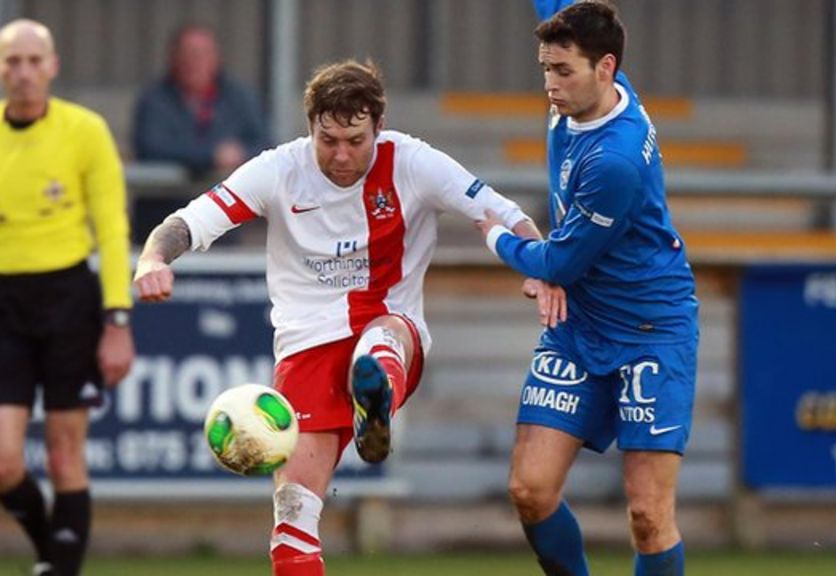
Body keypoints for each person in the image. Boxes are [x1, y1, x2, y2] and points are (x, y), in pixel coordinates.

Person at [133, 59, 555, 576]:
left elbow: (501, 212)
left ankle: (373, 396)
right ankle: (367, 404)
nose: (339, 154)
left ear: (379, 125)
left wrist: (539, 264)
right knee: (292, 523)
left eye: (355, 141)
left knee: (378, 343)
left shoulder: (414, 163)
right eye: (327, 139)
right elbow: (189, 221)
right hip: (306, 349)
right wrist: (154, 259)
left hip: (389, 327)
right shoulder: (279, 170)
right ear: (310, 126)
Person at [476, 1, 699, 575]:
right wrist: (553, 273)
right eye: (545, 69)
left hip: (651, 329)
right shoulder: (592, 76)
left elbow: (561, 259)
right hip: (580, 327)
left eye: (563, 72)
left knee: (648, 515)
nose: (550, 85)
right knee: (530, 489)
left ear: (605, 68)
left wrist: (498, 239)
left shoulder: (616, 160)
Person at [0, 19, 134, 576]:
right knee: (0, 463)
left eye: (33, 60)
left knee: (63, 453)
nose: (23, 73)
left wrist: (117, 319)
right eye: (12, 62)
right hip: (2, 302)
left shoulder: (85, 131)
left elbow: (112, 229)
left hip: (71, 297)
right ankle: (54, 555)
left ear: (52, 66)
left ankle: (59, 568)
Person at [132, 25, 269, 180]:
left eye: (203, 54)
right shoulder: (154, 100)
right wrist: (211, 156)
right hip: (169, 201)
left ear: (217, 58)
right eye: (188, 54)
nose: (194, 62)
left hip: (228, 200)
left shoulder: (240, 97)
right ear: (173, 58)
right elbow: (151, 148)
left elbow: (265, 144)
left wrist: (240, 153)